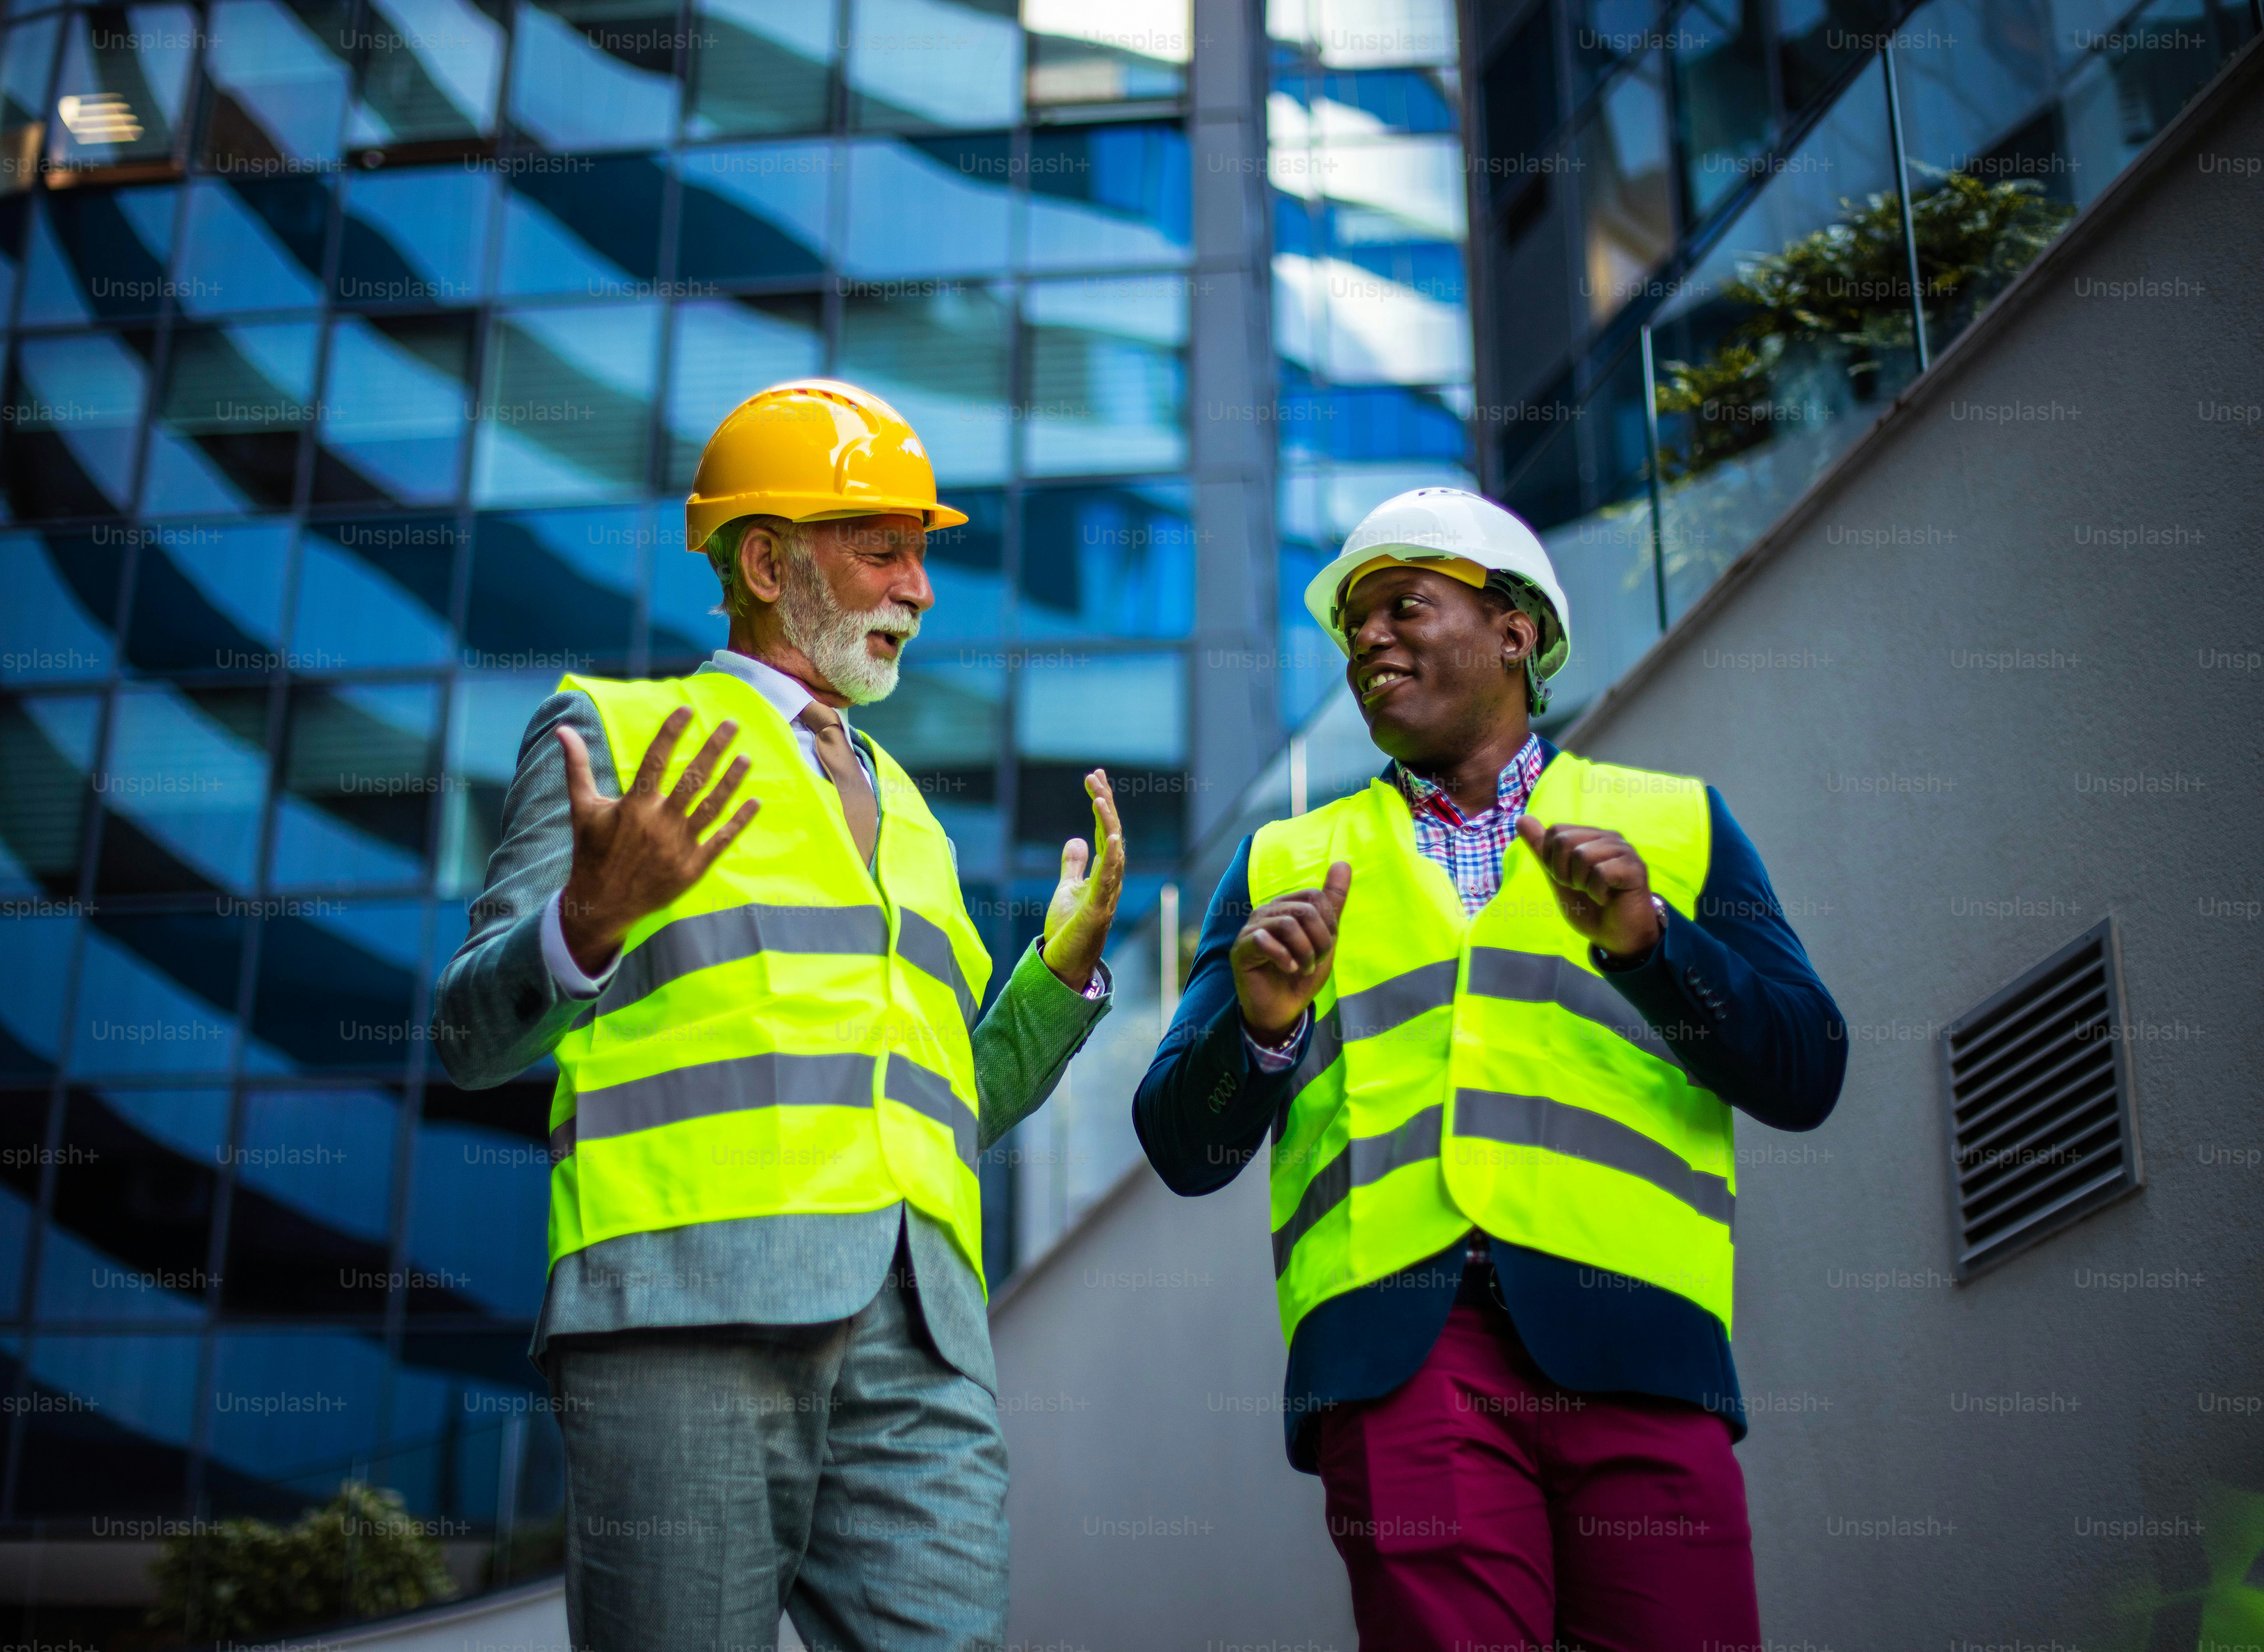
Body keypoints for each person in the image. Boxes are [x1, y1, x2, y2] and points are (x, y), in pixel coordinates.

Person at [436, 379, 1127, 1652]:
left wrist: (1056, 983)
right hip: (683, 1317)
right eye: (883, 551)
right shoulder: (618, 736)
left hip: (920, 1343)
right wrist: (584, 922)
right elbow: (469, 1038)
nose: (920, 589)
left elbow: (939, 1109)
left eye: (921, 555)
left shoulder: (912, 815)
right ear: (765, 561)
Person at [1134, 487, 1845, 1649]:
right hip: (1398, 1357)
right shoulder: (1280, 862)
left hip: (1638, 1344)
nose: (1367, 640)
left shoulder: (1674, 826)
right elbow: (1183, 1143)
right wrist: (1257, 1028)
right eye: (1352, 626)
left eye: (1404, 607)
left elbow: (1806, 1068)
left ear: (1514, 631)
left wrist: (1653, 948)